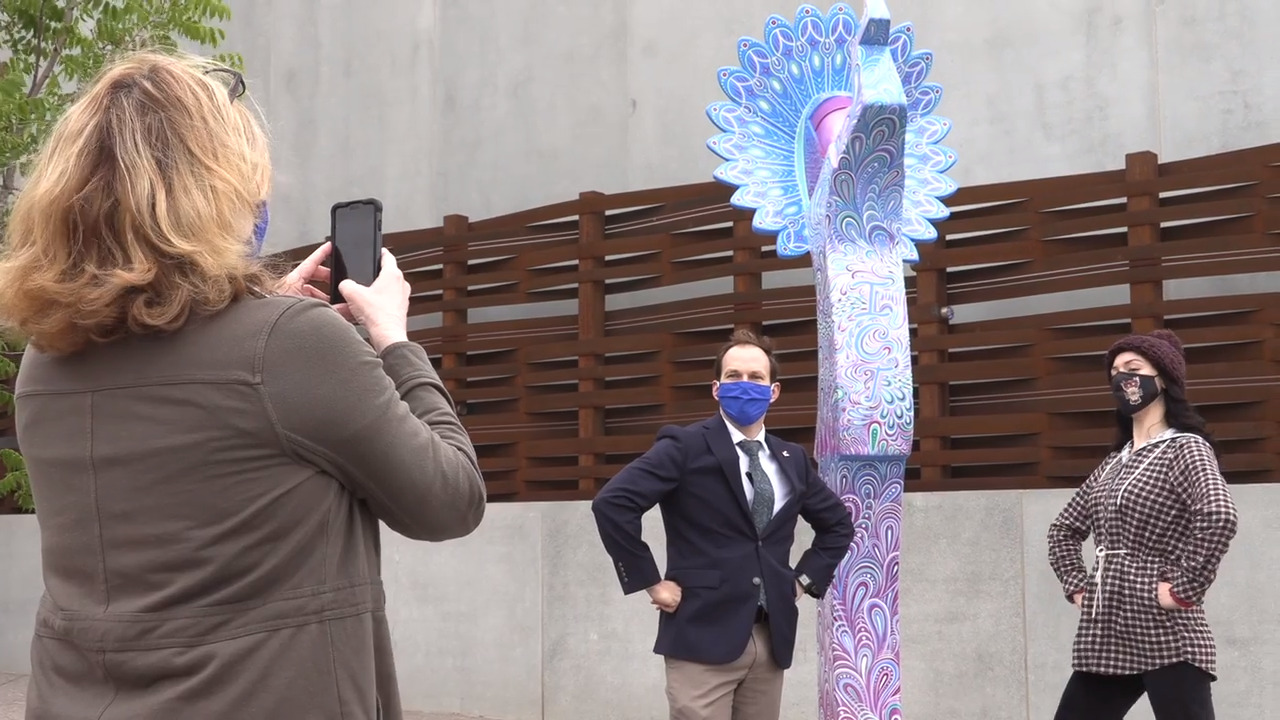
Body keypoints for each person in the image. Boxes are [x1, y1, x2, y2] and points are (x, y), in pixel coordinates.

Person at [0, 50, 486, 720]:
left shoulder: (46, 364)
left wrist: (259, 315)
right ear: (214, 190)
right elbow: (449, 499)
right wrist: (395, 341)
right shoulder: (285, 346)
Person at [591, 328, 855, 720]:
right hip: (701, 635)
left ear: (774, 391)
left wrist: (801, 582)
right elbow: (612, 503)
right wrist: (650, 582)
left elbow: (837, 525)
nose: (744, 385)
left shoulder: (791, 457)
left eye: (756, 378)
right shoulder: (684, 446)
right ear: (716, 389)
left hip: (770, 639)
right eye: (733, 377)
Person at [1047, 328, 1238, 720]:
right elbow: (1063, 530)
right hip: (1107, 629)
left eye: (1133, 368)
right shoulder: (1114, 462)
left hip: (1164, 626)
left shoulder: (1184, 447)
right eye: (1115, 371)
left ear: (1163, 379)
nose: (1122, 379)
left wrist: (1184, 590)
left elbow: (1219, 514)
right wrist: (1078, 586)